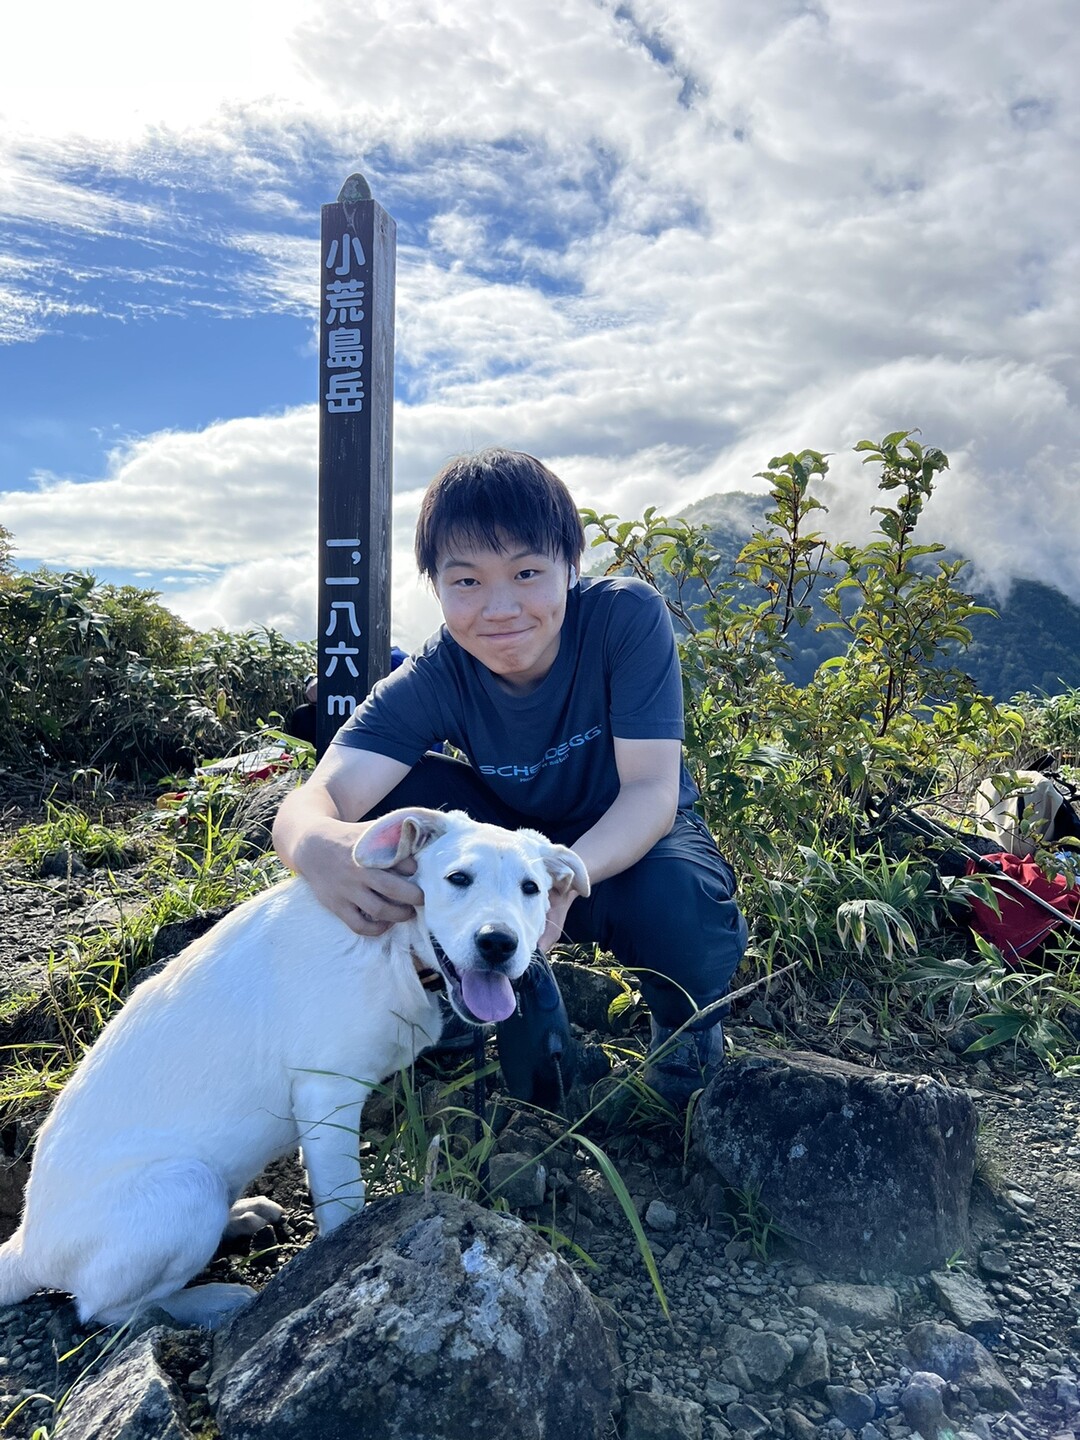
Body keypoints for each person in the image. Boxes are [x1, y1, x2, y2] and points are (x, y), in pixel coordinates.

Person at [272, 448, 747, 1107]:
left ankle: (685, 1030)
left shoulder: (621, 621)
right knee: (396, 812)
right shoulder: (438, 674)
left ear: (570, 568)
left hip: (623, 842)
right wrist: (313, 848)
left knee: (680, 897)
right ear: (437, 587)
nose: (500, 608)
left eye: (527, 572)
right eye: (466, 582)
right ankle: (445, 1002)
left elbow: (651, 792)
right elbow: (321, 796)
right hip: (509, 846)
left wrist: (556, 879)